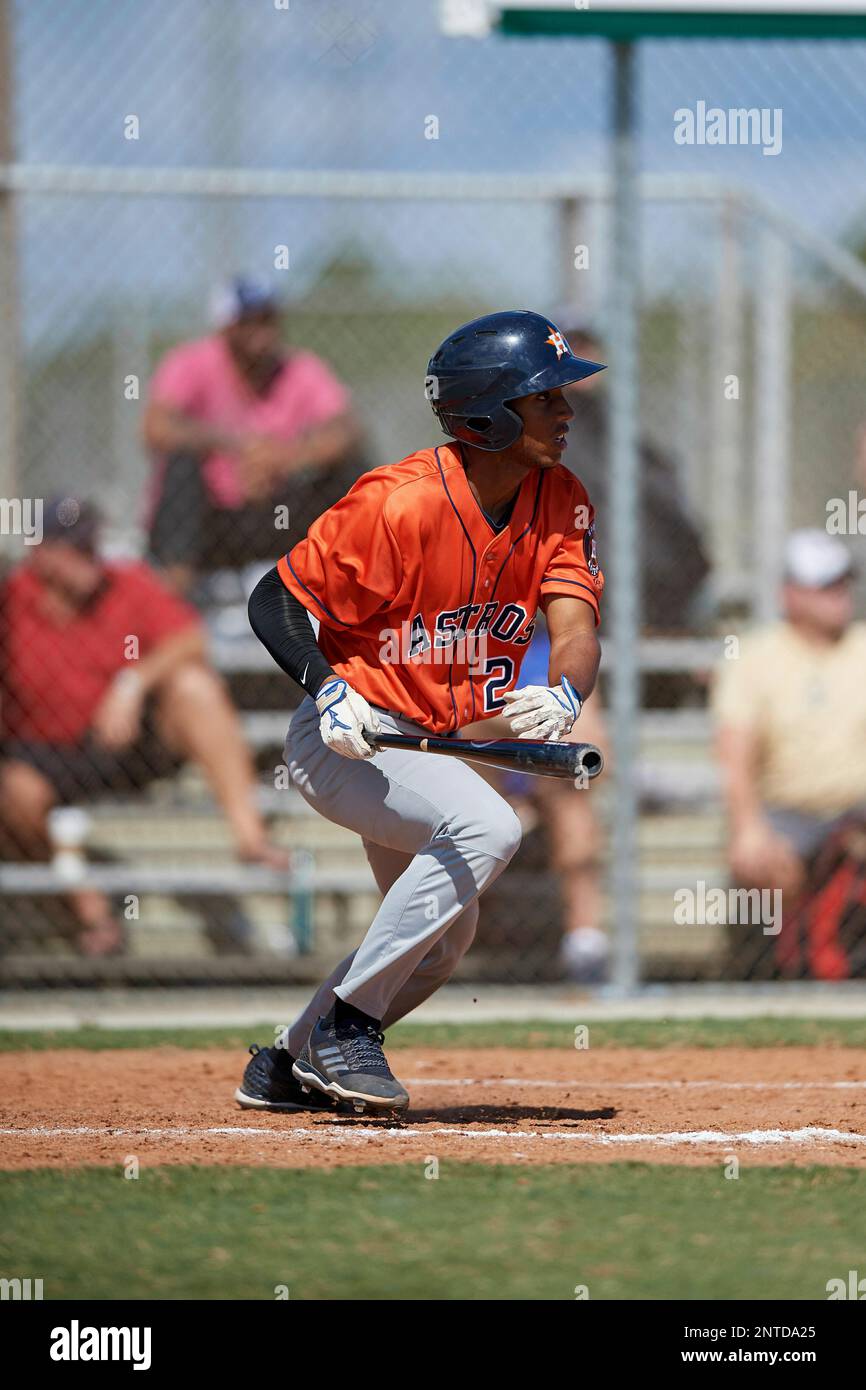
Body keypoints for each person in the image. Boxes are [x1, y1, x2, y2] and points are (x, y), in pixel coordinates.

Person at [235, 309, 605, 1116]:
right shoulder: (398, 503)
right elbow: (275, 599)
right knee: (490, 829)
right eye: (547, 399)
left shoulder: (560, 498)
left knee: (439, 949)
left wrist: (567, 690)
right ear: (490, 412)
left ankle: (287, 1065)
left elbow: (575, 627)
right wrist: (327, 687)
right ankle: (349, 1028)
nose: (568, 412)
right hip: (350, 738)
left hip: (437, 747)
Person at [0, 498, 287, 955]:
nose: (90, 556)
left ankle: (250, 837)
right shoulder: (13, 600)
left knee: (194, 686)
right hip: (39, 755)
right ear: (43, 554)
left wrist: (133, 682)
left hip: (122, 744)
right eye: (75, 548)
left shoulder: (124, 582)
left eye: (91, 544)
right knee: (15, 790)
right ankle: (89, 912)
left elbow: (192, 639)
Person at [142, 276, 365, 597]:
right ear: (225, 327)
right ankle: (176, 600)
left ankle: (361, 587)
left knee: (351, 465)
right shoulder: (191, 362)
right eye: (248, 320)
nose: (261, 330)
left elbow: (347, 429)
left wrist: (286, 460)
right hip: (213, 523)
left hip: (279, 515)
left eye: (268, 318)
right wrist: (238, 448)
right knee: (180, 463)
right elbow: (156, 428)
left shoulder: (299, 368)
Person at [712, 529, 866, 976]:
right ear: (791, 595)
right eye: (825, 587)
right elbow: (734, 754)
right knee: (762, 864)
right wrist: (747, 827)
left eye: (843, 584)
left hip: (857, 807)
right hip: (789, 812)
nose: (839, 596)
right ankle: (789, 976)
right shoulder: (758, 656)